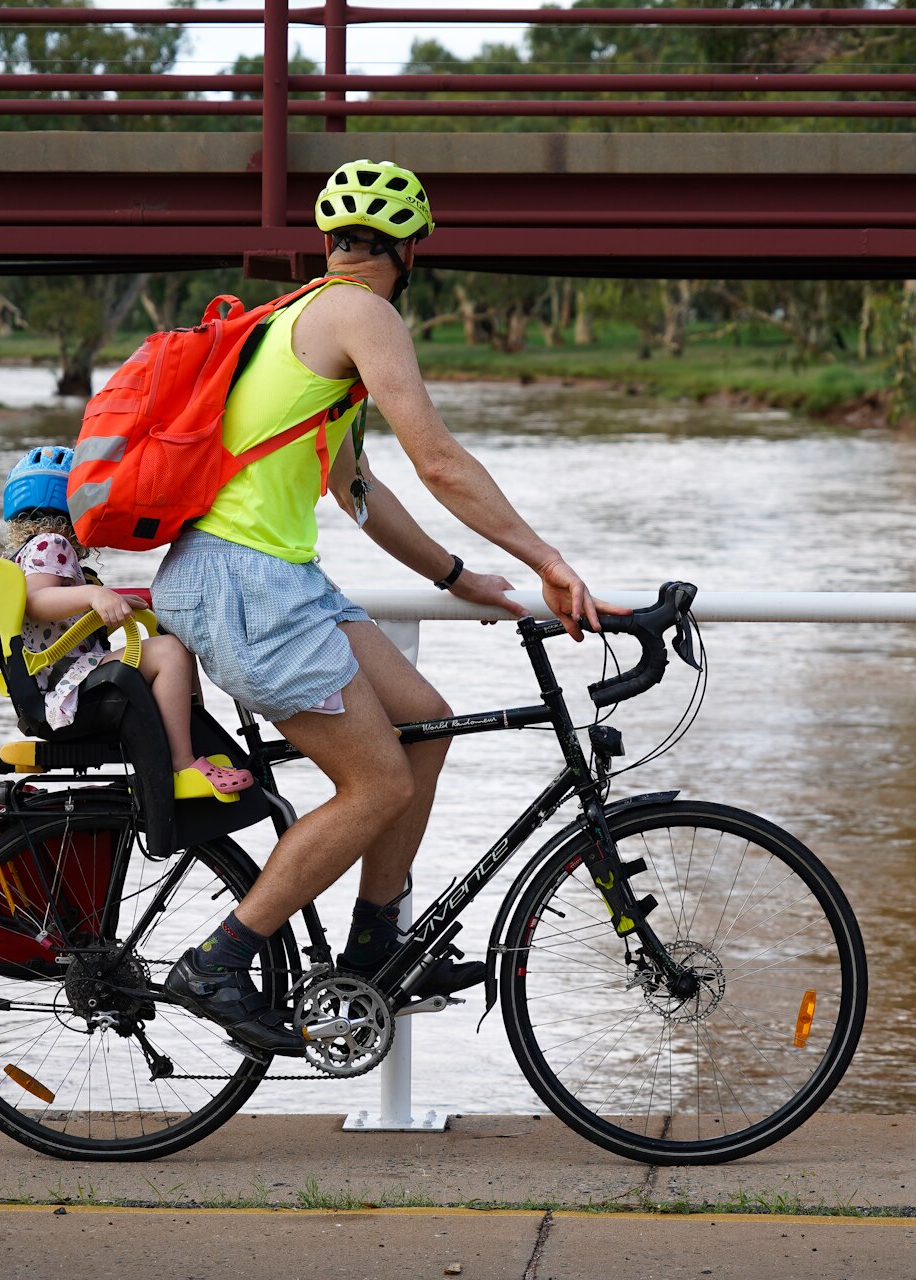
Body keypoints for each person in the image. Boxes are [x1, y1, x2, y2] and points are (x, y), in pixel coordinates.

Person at [154, 160, 621, 1057]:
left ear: (331, 242)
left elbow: (353, 487)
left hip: (272, 578)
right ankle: (219, 959)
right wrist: (546, 560)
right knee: (376, 784)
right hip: (247, 582)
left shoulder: (301, 317)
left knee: (427, 725)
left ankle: (377, 948)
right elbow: (438, 460)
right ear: (409, 251)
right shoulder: (364, 313)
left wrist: (456, 575)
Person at [2, 446, 253, 801]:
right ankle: (182, 761)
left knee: (170, 645)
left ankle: (190, 741)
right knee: (170, 652)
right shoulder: (52, 543)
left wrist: (112, 600)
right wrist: (95, 597)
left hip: (62, 677)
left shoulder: (27, 552)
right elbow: (38, 602)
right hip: (69, 685)